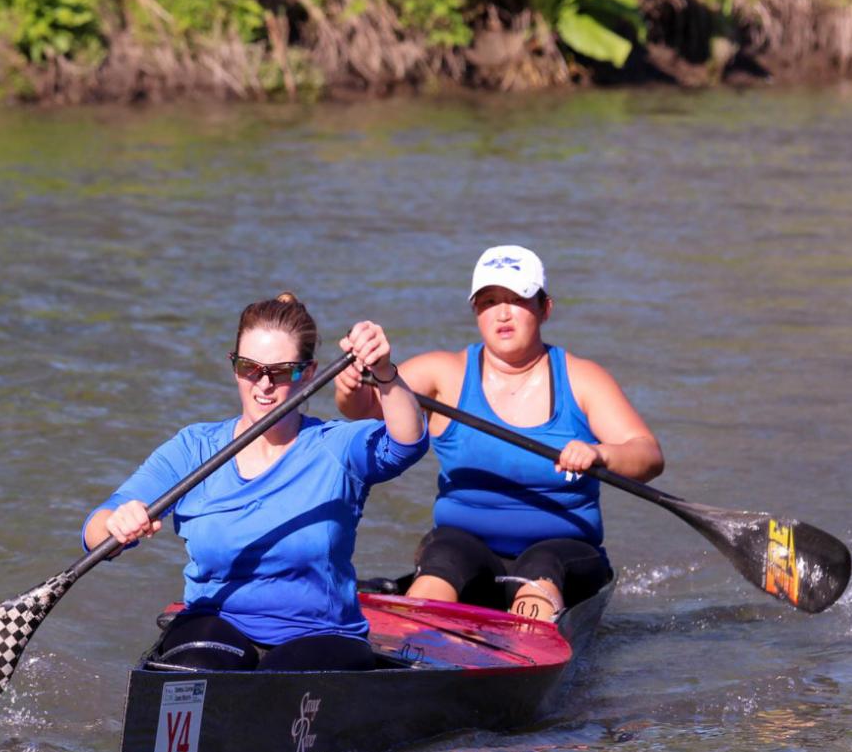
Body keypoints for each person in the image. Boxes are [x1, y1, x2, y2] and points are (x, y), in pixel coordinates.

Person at [83, 293, 427, 671]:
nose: (263, 385)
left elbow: (406, 444)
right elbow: (95, 530)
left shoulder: (337, 447)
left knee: (280, 678)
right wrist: (116, 525)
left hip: (319, 636)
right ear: (235, 366)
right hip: (216, 625)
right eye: (250, 368)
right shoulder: (193, 449)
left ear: (308, 373)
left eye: (281, 372)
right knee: (197, 665)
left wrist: (384, 372)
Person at [335, 246, 663, 621]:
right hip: (465, 545)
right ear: (476, 311)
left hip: (561, 553)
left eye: (517, 300)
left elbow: (648, 455)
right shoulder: (444, 374)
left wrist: (601, 454)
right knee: (444, 558)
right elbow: (367, 409)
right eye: (489, 301)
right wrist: (351, 389)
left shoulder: (583, 379)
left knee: (541, 567)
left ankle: (527, 648)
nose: (503, 313)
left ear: (545, 309)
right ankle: (416, 643)